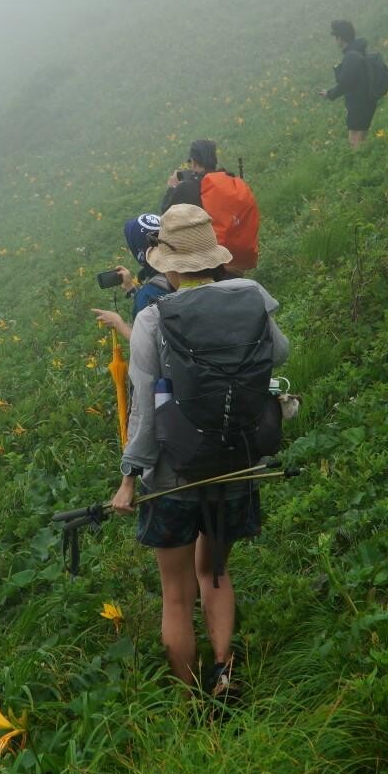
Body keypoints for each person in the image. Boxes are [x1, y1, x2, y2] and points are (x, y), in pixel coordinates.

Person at [109, 204, 290, 697]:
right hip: (236, 459)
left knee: (175, 594)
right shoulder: (250, 295)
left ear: (167, 264)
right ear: (214, 256)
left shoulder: (152, 318)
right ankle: (223, 671)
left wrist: (129, 478)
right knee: (215, 572)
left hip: (172, 474)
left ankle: (190, 701)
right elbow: (281, 352)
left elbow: (144, 410)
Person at [159, 139, 260, 274]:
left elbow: (166, 217)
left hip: (208, 265)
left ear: (194, 162)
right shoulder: (230, 181)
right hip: (236, 262)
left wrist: (172, 187)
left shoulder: (188, 188)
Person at [92, 213, 172, 340]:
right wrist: (131, 288)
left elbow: (146, 345)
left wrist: (117, 322)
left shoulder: (148, 295)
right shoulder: (184, 270)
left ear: (139, 251)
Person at [322, 19, 376, 148]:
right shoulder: (358, 50)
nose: (335, 40)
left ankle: (359, 165)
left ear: (340, 38)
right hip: (366, 101)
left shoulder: (351, 56)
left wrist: (329, 94)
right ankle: (363, 161)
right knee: (362, 138)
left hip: (358, 103)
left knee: (354, 139)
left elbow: (344, 83)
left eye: (336, 37)